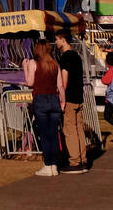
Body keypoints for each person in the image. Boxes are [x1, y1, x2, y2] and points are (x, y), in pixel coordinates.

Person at [24, 39, 64, 177]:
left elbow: (30, 82)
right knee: (53, 133)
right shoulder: (54, 64)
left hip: (41, 99)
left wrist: (25, 67)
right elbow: (60, 86)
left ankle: (48, 164)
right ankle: (54, 165)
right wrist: (62, 101)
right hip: (54, 99)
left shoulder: (33, 63)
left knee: (44, 135)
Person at [54, 31, 88, 173]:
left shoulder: (65, 57)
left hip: (70, 97)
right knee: (79, 128)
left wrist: (61, 96)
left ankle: (74, 161)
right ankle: (82, 159)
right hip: (79, 97)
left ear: (63, 40)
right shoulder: (76, 56)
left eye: (57, 40)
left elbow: (64, 79)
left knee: (69, 130)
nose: (56, 42)